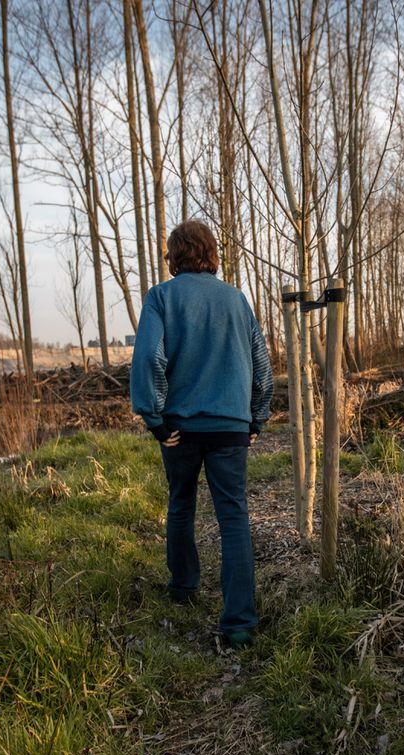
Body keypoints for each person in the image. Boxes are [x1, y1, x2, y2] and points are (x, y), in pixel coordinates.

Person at [130, 220, 274, 649]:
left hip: (180, 428)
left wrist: (154, 419)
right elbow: (262, 367)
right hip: (230, 427)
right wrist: (255, 419)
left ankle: (184, 587)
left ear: (174, 255)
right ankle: (240, 623)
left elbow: (150, 360)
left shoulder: (161, 297)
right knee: (234, 518)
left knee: (181, 503)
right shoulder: (236, 300)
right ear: (211, 252)